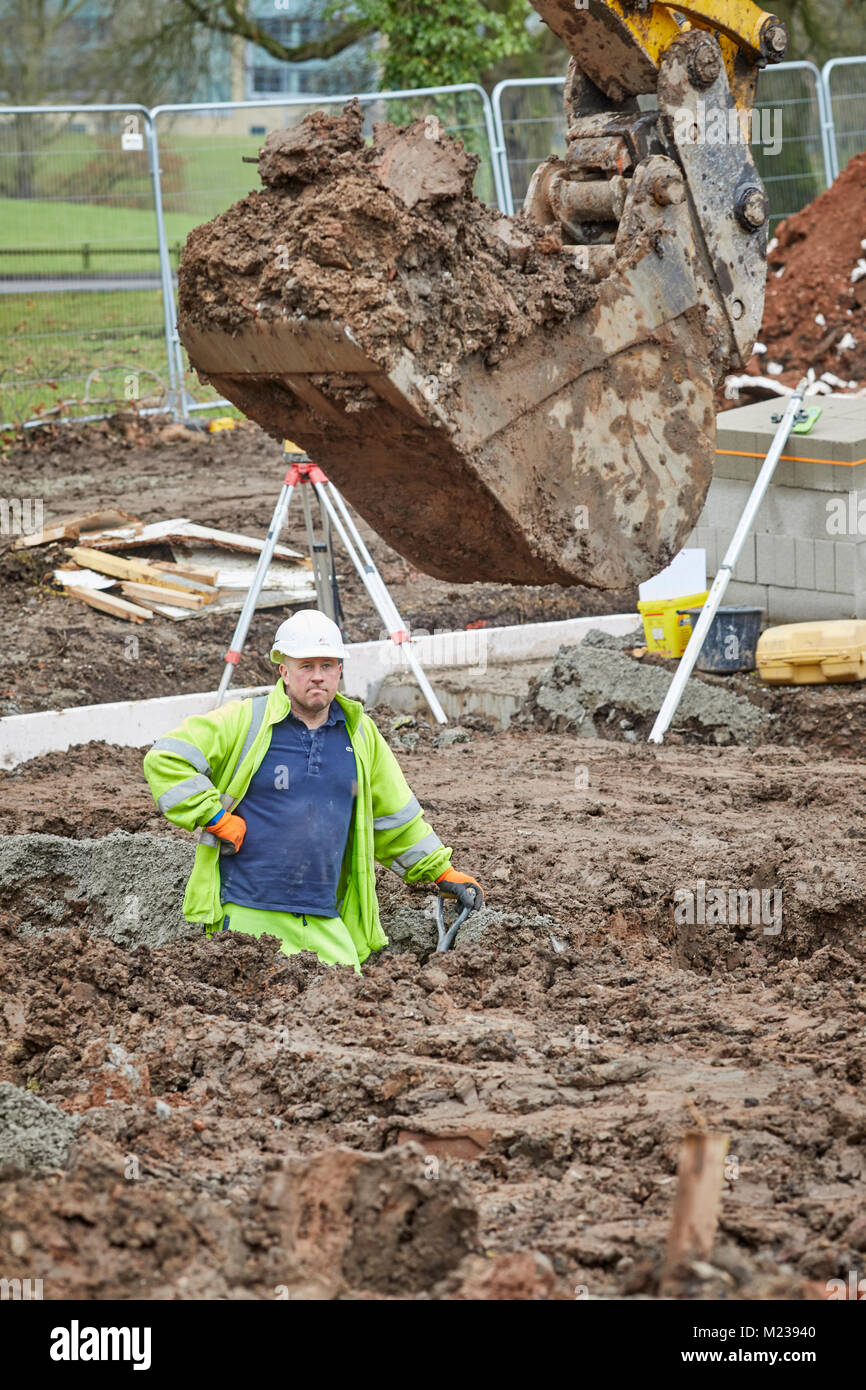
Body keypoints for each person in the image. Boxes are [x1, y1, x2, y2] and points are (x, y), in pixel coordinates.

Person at [143, 608, 483, 973]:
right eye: (306, 666)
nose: (317, 676)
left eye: (327, 665)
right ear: (283, 671)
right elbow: (166, 758)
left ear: (340, 670)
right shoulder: (246, 721)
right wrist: (213, 815)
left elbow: (394, 816)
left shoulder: (360, 735)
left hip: (324, 917)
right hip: (246, 915)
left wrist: (440, 872)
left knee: (345, 1008)